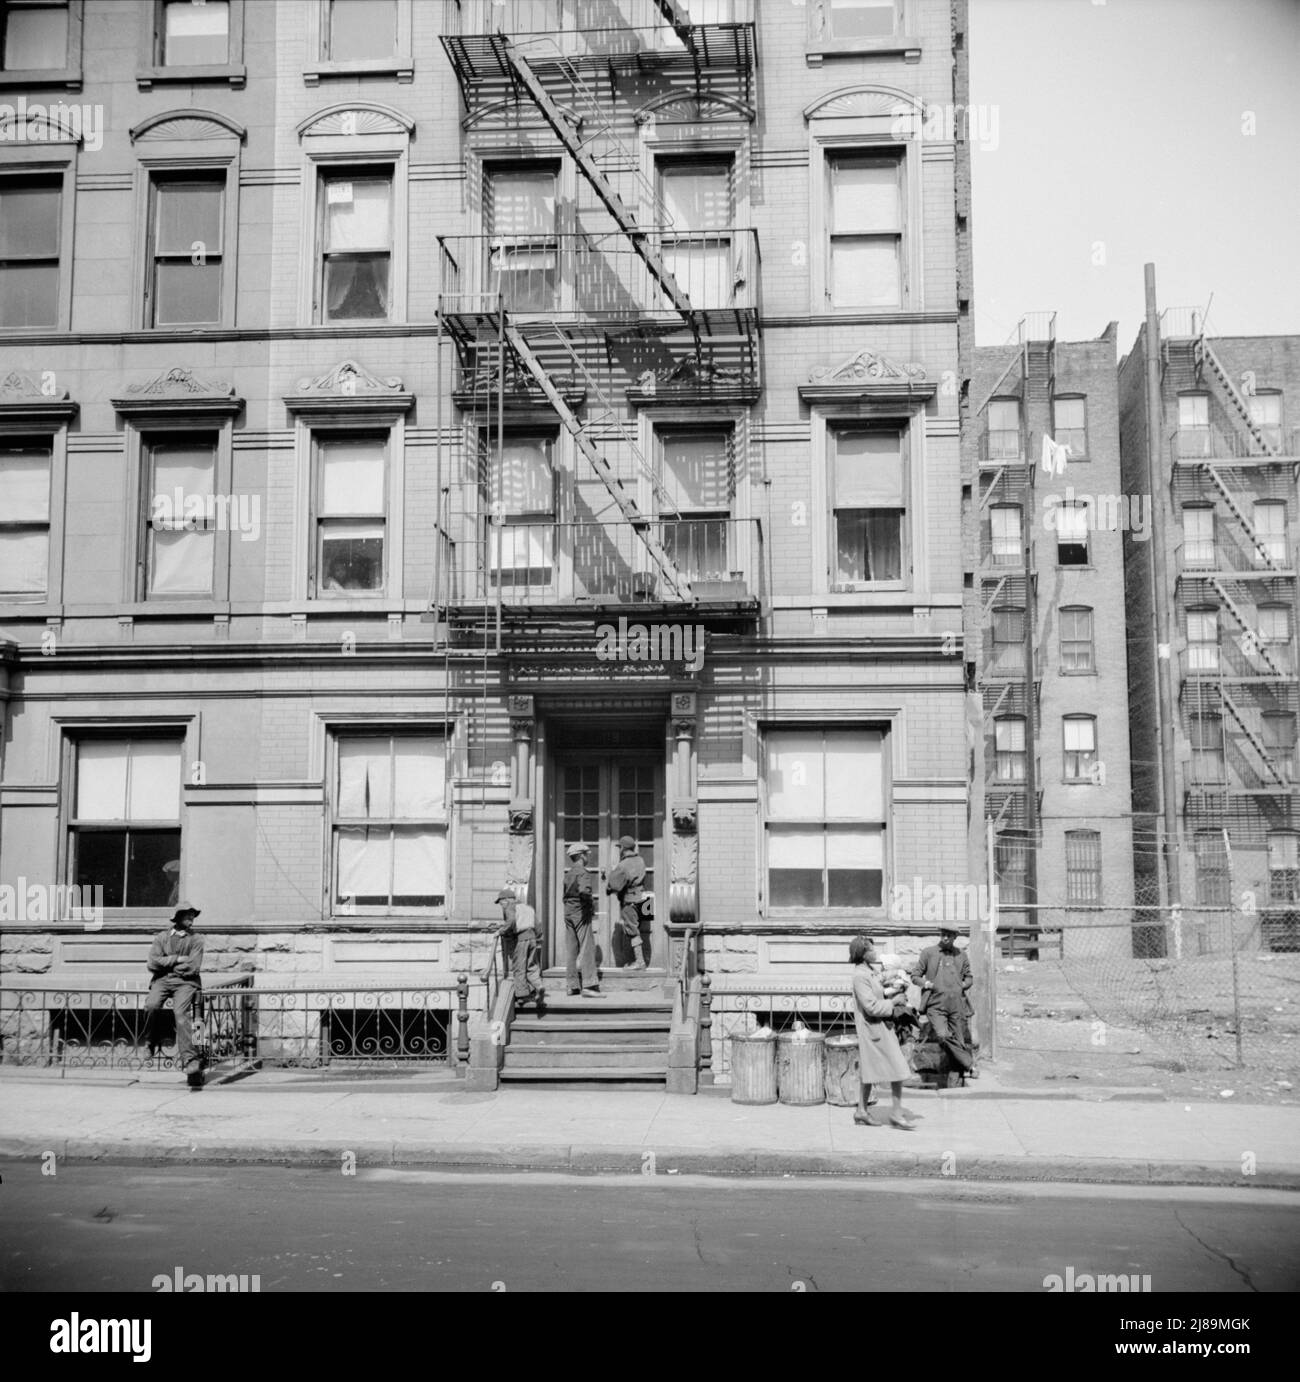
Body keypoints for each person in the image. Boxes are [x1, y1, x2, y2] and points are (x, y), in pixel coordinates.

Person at [850, 935, 916, 1130]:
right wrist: (893, 1002)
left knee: (870, 1072)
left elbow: (879, 979)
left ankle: (862, 1111)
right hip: (873, 1028)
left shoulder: (869, 971)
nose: (875, 952)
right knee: (897, 1067)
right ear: (862, 954)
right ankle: (896, 1114)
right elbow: (870, 1006)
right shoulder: (859, 976)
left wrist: (900, 972)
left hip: (880, 1027)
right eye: (871, 949)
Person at [144, 901, 205, 1088]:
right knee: (151, 1006)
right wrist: (177, 959)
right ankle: (150, 1042)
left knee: (181, 1014)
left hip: (186, 983)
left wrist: (167, 965)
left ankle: (191, 1060)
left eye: (193, 915)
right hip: (162, 981)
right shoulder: (162, 938)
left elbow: (193, 967)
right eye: (187, 915)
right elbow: (151, 963)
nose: (191, 919)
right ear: (178, 917)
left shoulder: (197, 939)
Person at [911, 925, 975, 1078]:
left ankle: (957, 1076)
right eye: (943, 934)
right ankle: (970, 1064)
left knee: (959, 1040)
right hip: (935, 1004)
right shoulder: (929, 953)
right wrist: (926, 984)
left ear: (955, 938)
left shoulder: (961, 955)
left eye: (949, 935)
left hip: (957, 1004)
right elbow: (915, 975)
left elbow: (969, 977)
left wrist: (961, 986)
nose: (945, 937)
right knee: (943, 1035)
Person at [562, 843, 602, 997]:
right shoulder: (583, 873)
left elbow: (564, 896)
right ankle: (589, 986)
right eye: (586, 854)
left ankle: (572, 986)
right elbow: (585, 892)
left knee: (571, 949)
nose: (587, 857)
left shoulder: (569, 873)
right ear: (581, 856)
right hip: (580, 911)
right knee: (587, 947)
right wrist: (590, 907)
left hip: (568, 912)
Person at [494, 887, 543, 1009]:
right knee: (531, 966)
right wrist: (538, 939)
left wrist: (500, 931)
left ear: (506, 900)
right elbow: (538, 925)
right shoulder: (528, 907)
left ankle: (522, 996)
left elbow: (511, 921)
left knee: (519, 967)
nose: (501, 905)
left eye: (500, 902)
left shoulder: (510, 907)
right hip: (532, 939)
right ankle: (539, 986)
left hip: (521, 939)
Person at [605, 835, 649, 970]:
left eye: (620, 847)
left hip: (630, 900)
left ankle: (639, 962)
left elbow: (614, 885)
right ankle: (640, 959)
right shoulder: (641, 860)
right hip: (645, 899)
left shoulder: (623, 864)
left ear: (623, 848)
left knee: (632, 931)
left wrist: (608, 888)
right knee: (641, 929)